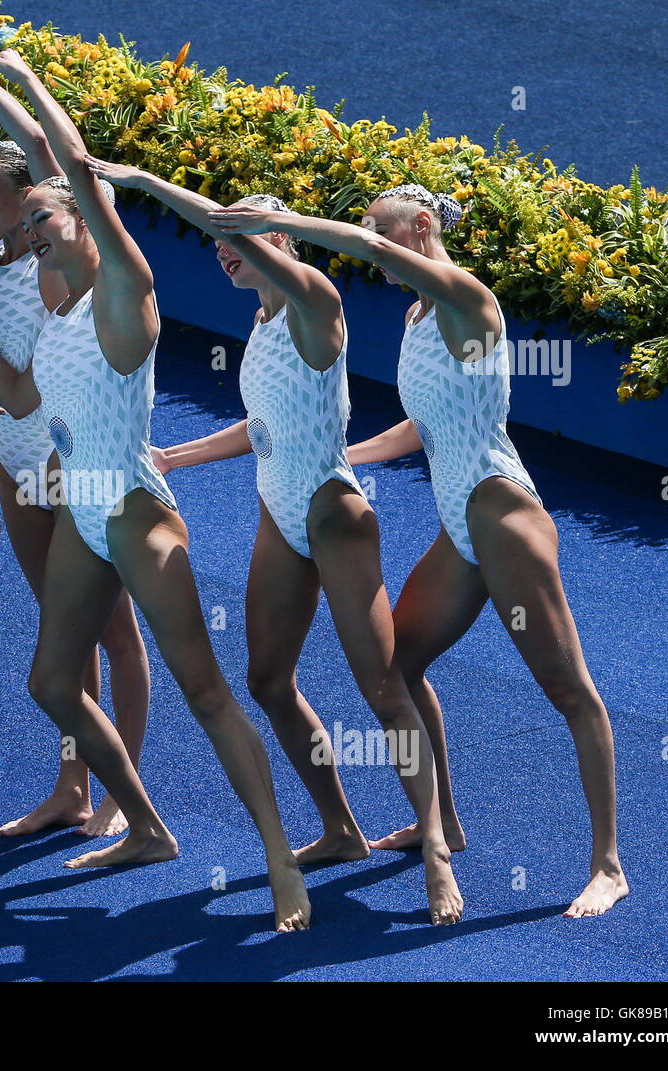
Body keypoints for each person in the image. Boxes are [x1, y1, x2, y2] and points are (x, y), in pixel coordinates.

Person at [0, 48, 310, 932]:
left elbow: (68, 168)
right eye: (29, 227)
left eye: (47, 220)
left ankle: (279, 863)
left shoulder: (129, 290)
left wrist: (24, 82)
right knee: (48, 681)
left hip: (138, 515)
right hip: (81, 506)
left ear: (86, 219)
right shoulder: (56, 295)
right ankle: (146, 823)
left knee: (206, 691)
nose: (33, 233)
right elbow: (37, 391)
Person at [210, 185, 628, 917]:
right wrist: (351, 453)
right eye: (370, 230)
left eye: (381, 229)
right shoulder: (417, 314)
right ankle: (448, 826)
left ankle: (608, 864)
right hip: (458, 525)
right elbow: (423, 422)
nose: (373, 246)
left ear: (422, 225)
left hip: (504, 514)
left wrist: (268, 221)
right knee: (400, 667)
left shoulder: (468, 299)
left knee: (569, 691)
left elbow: (365, 250)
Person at [84, 160, 461, 923]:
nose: (230, 251)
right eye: (225, 247)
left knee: (384, 688)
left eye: (247, 237)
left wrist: (140, 182)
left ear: (281, 239)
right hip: (277, 509)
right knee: (267, 680)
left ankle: (434, 849)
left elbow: (229, 229)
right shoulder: (259, 322)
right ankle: (340, 828)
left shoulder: (315, 297)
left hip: (331, 510)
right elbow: (262, 428)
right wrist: (174, 455)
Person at [0, 49, 152, 839]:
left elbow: (20, 385)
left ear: (26, 199)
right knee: (62, 630)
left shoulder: (52, 269)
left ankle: (122, 791)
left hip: (64, 461)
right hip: (14, 464)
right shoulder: (1, 258)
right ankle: (72, 785)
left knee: (113, 633)